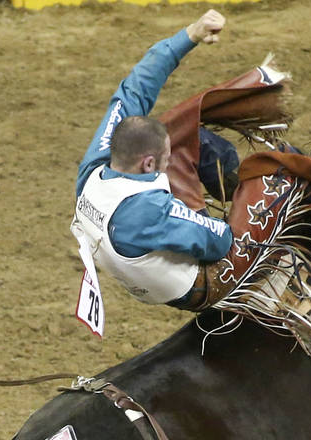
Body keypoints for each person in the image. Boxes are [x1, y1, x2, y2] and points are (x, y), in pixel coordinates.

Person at [72, 9, 237, 309]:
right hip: (195, 285)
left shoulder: (93, 170)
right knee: (255, 227)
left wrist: (191, 34)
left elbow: (134, 88)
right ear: (148, 165)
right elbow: (220, 240)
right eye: (164, 158)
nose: (167, 160)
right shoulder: (149, 211)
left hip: (131, 248)